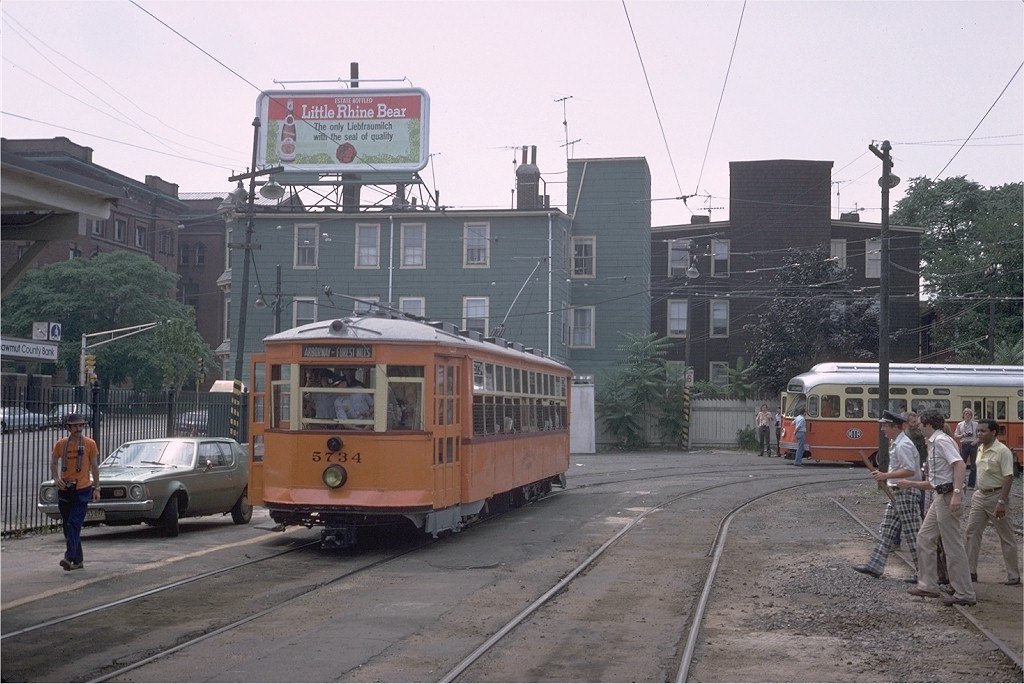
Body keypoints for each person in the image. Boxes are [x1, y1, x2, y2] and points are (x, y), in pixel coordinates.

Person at [895, 409, 975, 606]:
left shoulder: (941, 441)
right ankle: (928, 584)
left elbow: (960, 465)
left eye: (920, 423)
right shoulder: (933, 443)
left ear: (929, 424)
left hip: (948, 496)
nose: (917, 425)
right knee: (924, 537)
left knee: (952, 544)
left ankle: (964, 592)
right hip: (941, 495)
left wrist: (956, 493)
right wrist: (911, 484)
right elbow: (936, 481)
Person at [853, 411, 921, 581]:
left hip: (905, 491)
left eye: (885, 425)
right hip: (898, 492)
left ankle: (924, 573)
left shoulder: (903, 444)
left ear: (894, 426)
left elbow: (909, 470)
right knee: (887, 530)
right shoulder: (897, 442)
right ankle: (875, 566)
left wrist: (884, 476)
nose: (882, 429)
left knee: (912, 533)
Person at [964, 419, 1020, 586]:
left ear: (994, 432)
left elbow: (1008, 477)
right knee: (971, 532)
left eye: (983, 431)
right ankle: (970, 571)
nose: (979, 433)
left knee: (1006, 536)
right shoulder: (980, 448)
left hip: (997, 496)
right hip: (980, 496)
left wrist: (1002, 501)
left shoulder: (1002, 451)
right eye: (978, 431)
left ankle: (1013, 576)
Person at [49, 413, 101, 571]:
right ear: (68, 427)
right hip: (65, 489)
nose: (79, 429)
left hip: (82, 489)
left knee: (74, 523)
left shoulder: (90, 444)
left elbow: (94, 466)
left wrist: (97, 488)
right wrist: (56, 478)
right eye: (75, 426)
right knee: (68, 525)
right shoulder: (61, 444)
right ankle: (78, 560)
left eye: (81, 425)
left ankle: (68, 556)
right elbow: (53, 463)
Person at [954, 408, 979, 488]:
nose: (967, 416)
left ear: (971, 416)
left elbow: (979, 436)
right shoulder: (960, 424)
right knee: (962, 465)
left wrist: (975, 442)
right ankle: (962, 483)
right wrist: (962, 435)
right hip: (964, 445)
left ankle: (971, 485)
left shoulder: (975, 424)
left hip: (973, 445)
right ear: (963, 415)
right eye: (966, 414)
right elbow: (955, 435)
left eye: (969, 414)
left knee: (973, 466)